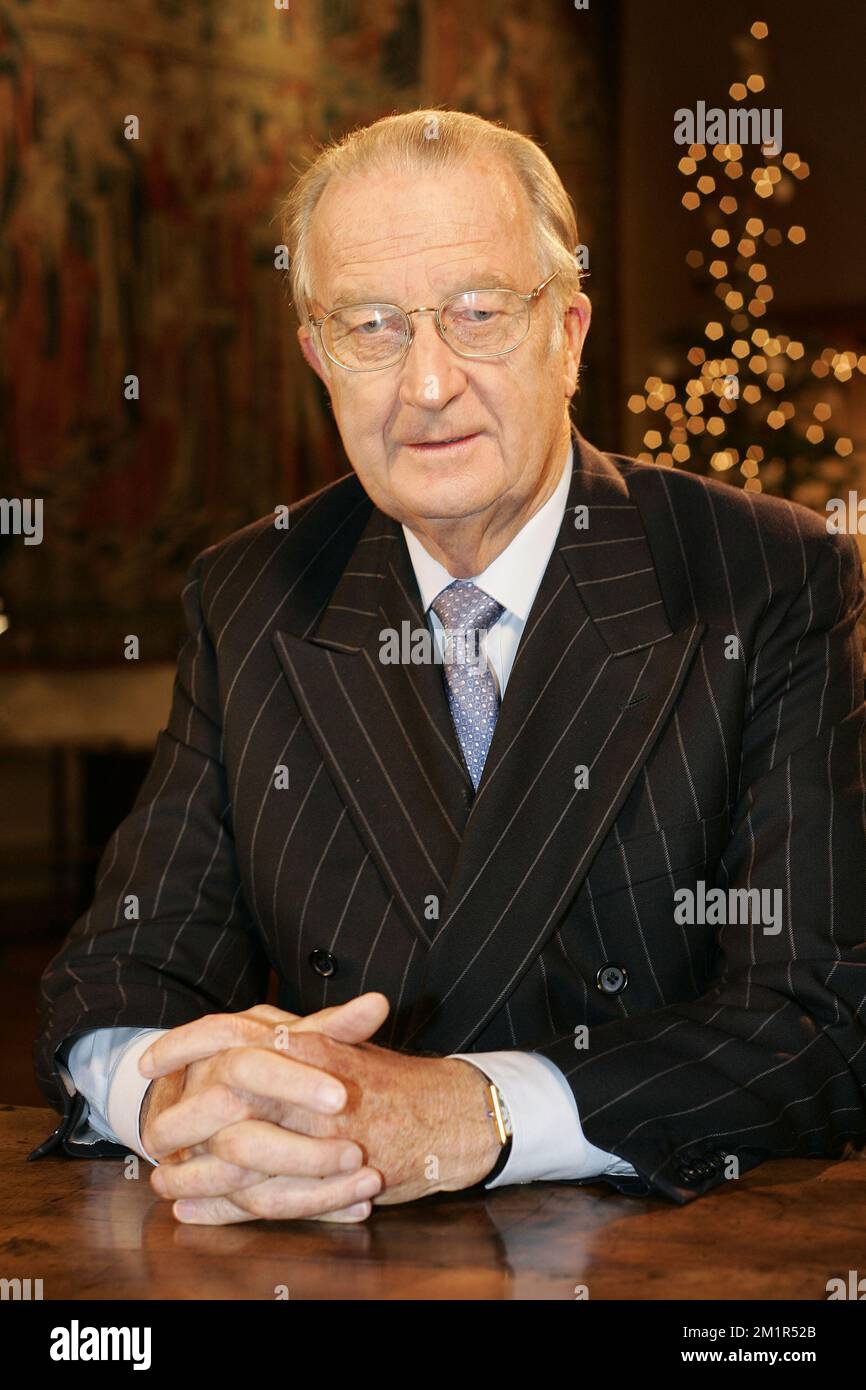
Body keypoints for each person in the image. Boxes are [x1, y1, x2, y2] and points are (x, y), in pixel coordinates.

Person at [31, 108, 866, 1225]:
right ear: (318, 355)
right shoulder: (253, 592)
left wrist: (469, 1112)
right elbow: (124, 968)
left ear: (566, 332)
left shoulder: (765, 577)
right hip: (329, 1246)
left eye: (477, 315)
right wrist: (171, 1091)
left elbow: (815, 1022)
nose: (426, 384)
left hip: (658, 1252)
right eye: (371, 326)